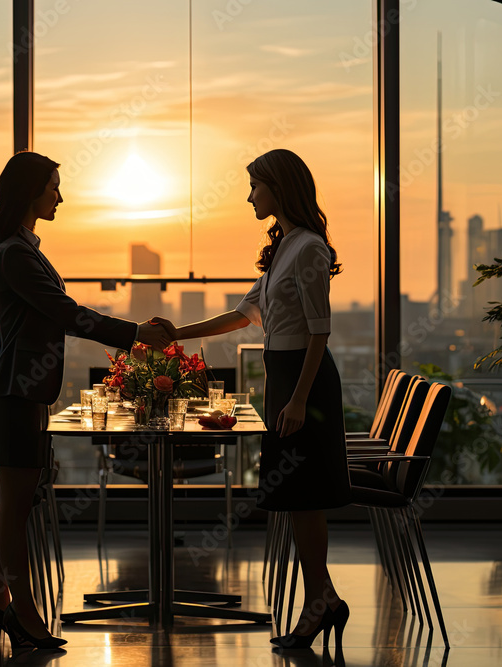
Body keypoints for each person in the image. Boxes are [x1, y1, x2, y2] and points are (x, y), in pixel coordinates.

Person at [0, 150, 174, 649]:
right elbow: (65, 312)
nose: (61, 196)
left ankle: (1, 608)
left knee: (9, 507)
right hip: (17, 392)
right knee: (14, 509)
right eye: (53, 187)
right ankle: (24, 614)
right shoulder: (16, 253)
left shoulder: (16, 246)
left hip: (19, 391)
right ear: (31, 190)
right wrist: (138, 335)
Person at [158, 149, 350, 652]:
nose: (248, 196)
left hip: (302, 384)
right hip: (284, 381)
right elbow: (241, 316)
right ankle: (323, 599)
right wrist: (175, 333)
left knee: (305, 500)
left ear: (278, 187)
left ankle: (320, 603)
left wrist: (299, 400)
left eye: (254, 187)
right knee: (296, 501)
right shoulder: (286, 245)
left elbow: (319, 332)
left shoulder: (308, 248)